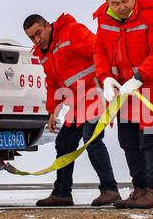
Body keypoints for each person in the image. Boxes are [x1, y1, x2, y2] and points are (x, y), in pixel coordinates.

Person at [92, 0, 153, 209]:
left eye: (126, 0)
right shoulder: (104, 20)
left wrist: (139, 77)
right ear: (107, 2)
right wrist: (105, 77)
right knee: (128, 139)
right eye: (115, 3)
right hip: (124, 92)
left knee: (150, 139)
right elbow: (100, 52)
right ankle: (140, 189)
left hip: (151, 89)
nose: (122, 7)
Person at [23, 13, 121, 207]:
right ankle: (62, 193)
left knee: (91, 139)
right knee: (64, 143)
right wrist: (52, 111)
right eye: (31, 37)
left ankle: (110, 190)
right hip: (76, 103)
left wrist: (109, 80)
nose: (37, 40)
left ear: (48, 26)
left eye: (38, 33)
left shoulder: (72, 32)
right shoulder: (44, 53)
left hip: (96, 94)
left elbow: (100, 51)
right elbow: (52, 83)